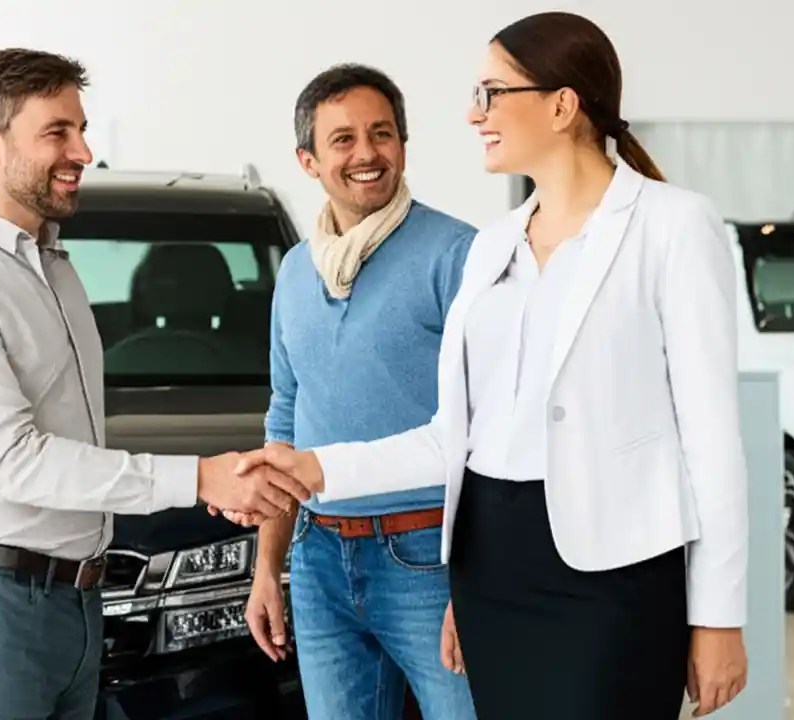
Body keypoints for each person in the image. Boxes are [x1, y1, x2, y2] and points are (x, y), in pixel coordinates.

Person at [233, 12, 749, 720]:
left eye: (491, 94)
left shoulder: (673, 225)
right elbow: (453, 436)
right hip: (492, 569)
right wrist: (315, 468)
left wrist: (719, 615)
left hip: (617, 576)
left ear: (561, 105)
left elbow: (712, 438)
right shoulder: (494, 246)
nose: (474, 115)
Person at [0, 48, 308, 720]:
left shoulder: (52, 264)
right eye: (58, 132)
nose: (83, 151)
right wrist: (202, 478)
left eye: (80, 129)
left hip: (73, 602)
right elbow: (15, 461)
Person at [230, 64, 478, 720]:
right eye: (343, 139)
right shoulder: (295, 272)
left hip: (429, 558)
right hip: (318, 560)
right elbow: (286, 417)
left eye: (382, 133)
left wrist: (478, 584)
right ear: (308, 160)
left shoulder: (458, 255)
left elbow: (491, 432)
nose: (366, 153)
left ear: (403, 145)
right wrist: (268, 568)